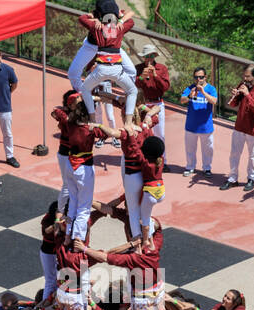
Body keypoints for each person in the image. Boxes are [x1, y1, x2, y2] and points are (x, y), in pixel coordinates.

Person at [52, 99, 111, 242]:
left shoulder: (70, 123)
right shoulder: (89, 129)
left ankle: (67, 236)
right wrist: (97, 124)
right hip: (83, 168)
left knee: (73, 202)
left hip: (70, 165)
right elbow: (107, 133)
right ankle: (78, 240)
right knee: (84, 208)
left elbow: (57, 112)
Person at [77, 4, 138, 119]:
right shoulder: (119, 29)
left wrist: (93, 17)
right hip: (116, 70)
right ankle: (129, 122)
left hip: (101, 69)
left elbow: (81, 19)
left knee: (85, 89)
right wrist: (121, 18)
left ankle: (92, 117)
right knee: (132, 91)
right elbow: (132, 21)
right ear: (114, 19)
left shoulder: (97, 28)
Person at [112, 103, 162, 240]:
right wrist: (148, 113)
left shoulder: (126, 131)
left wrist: (97, 126)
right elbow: (158, 109)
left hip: (131, 175)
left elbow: (111, 133)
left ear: (124, 116)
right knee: (144, 213)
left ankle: (137, 242)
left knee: (133, 211)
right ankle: (149, 239)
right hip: (145, 177)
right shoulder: (145, 127)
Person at [224, 65, 254, 192]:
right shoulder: (242, 85)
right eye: (244, 75)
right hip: (240, 125)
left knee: (253, 156)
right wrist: (235, 95)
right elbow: (233, 104)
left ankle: (252, 179)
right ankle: (232, 179)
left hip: (253, 128)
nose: (245, 78)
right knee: (234, 154)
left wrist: (248, 95)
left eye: (248, 76)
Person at [180, 67, 218, 178]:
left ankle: (207, 168)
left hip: (206, 127)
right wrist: (189, 96)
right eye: (196, 77)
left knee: (208, 150)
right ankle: (190, 167)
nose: (198, 79)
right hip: (191, 126)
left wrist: (203, 92)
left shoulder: (211, 89)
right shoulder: (190, 88)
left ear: (205, 77)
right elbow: (182, 100)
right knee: (190, 149)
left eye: (201, 77)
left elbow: (214, 101)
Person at [135, 43, 169, 140]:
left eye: (151, 56)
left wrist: (156, 76)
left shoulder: (161, 68)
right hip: (142, 104)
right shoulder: (137, 68)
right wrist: (141, 77)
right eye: (147, 56)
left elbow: (165, 87)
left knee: (160, 135)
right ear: (143, 57)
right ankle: (144, 155)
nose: (149, 58)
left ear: (154, 56)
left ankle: (161, 155)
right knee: (142, 133)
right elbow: (133, 86)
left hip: (158, 104)